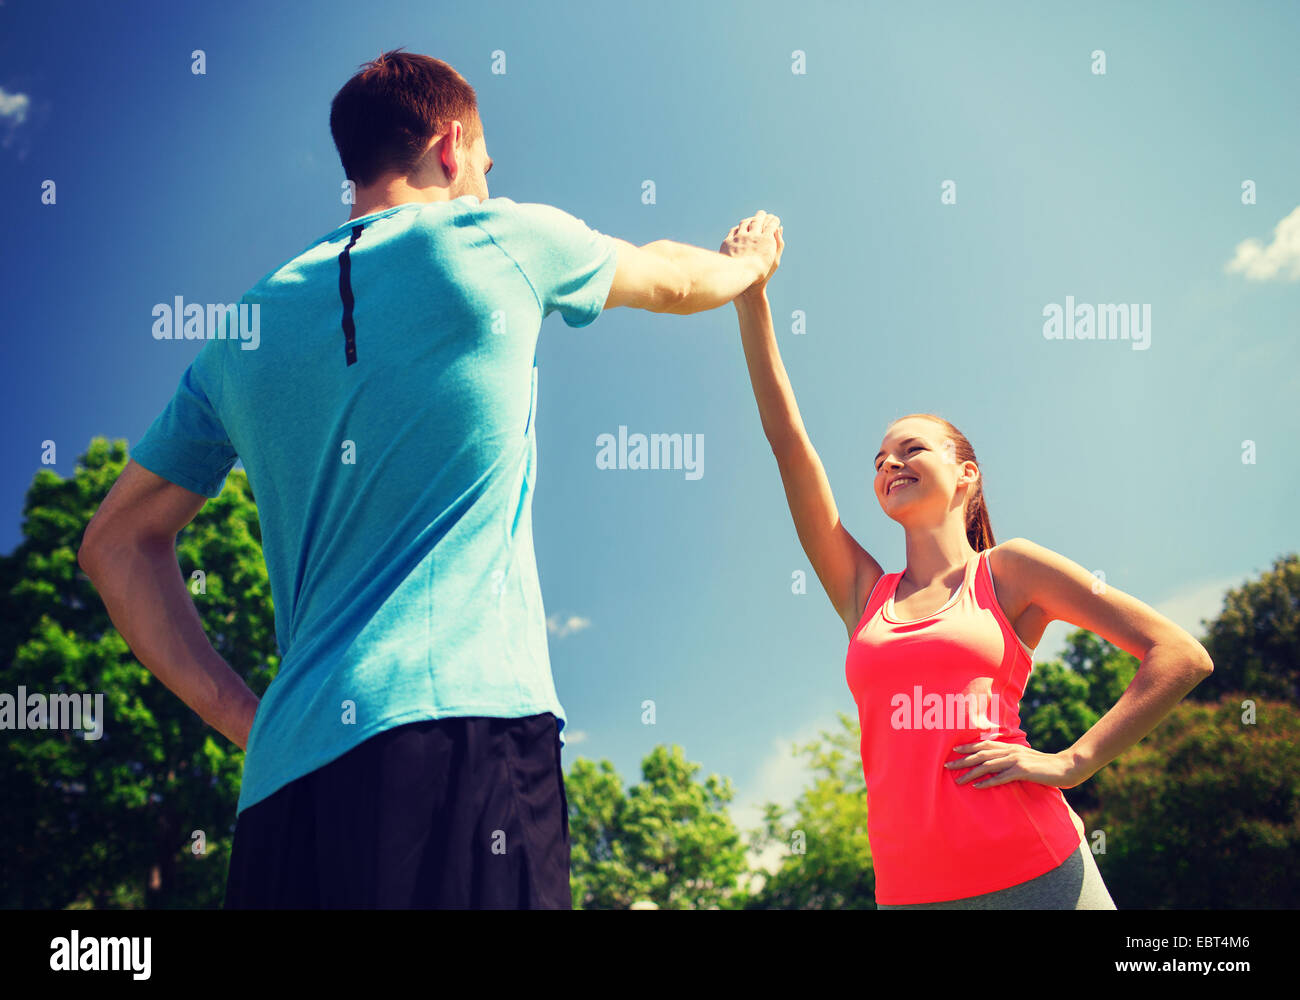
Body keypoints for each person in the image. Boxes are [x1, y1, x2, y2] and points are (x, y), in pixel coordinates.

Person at [76, 50, 780, 909]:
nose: (488, 177)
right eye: (485, 158)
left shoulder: (243, 330)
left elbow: (114, 546)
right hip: (464, 738)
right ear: (451, 146)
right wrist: (750, 262)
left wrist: (249, 721)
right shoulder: (503, 238)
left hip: (287, 789)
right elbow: (674, 276)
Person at [722, 212, 1214, 909]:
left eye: (912, 449)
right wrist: (752, 296)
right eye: (880, 460)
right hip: (912, 893)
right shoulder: (863, 591)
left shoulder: (1009, 572)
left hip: (1039, 875)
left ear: (967, 474)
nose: (891, 463)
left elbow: (1179, 654)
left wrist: (1070, 763)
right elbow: (788, 441)